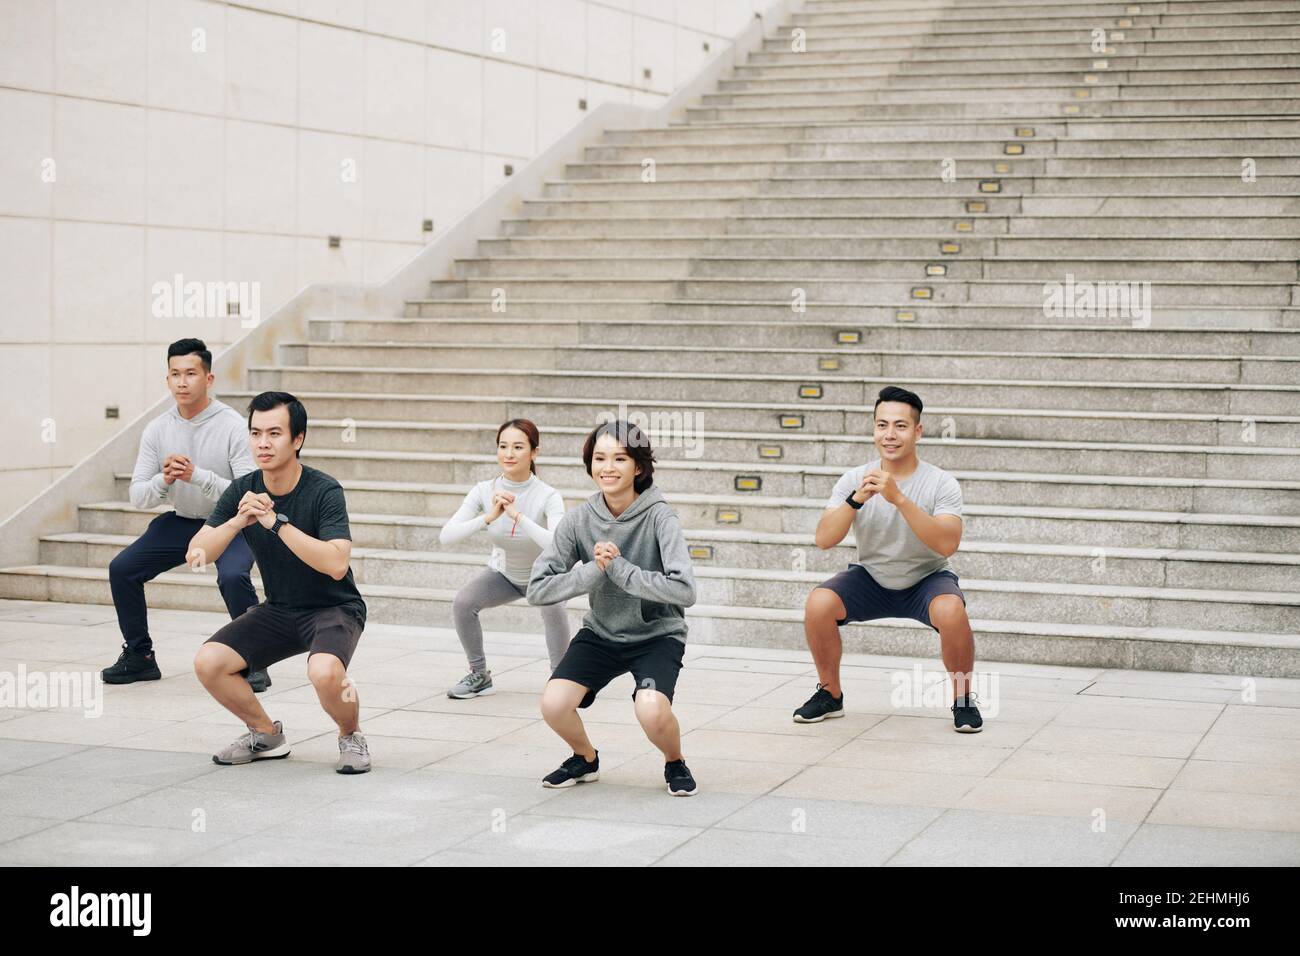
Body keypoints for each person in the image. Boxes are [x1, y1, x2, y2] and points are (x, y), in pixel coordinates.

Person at [187, 391, 372, 773]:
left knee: (324, 671)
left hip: (333, 607)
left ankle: (350, 734)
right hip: (279, 609)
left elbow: (336, 564)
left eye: (274, 433)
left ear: (297, 439)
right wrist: (238, 522)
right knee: (209, 662)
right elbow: (197, 554)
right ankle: (265, 734)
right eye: (255, 434)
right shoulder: (243, 489)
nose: (263, 443)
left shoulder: (323, 490)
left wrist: (278, 523)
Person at [794, 385, 982, 732]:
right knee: (819, 602)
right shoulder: (855, 478)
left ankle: (963, 699)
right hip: (871, 577)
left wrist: (899, 499)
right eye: (882, 425)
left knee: (951, 611)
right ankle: (830, 694)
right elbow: (823, 540)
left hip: (927, 577)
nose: (889, 435)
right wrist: (855, 501)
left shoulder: (941, 482)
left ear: (918, 431)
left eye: (900, 426)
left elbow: (947, 544)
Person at [528, 420, 700, 795]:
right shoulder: (578, 520)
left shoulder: (660, 516)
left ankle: (675, 761)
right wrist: (593, 571)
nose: (608, 467)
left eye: (619, 458)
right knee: (553, 704)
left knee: (651, 708)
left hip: (655, 635)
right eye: (599, 458)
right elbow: (538, 589)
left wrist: (620, 570)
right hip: (602, 633)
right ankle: (585, 758)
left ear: (638, 466)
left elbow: (684, 590)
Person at [102, 338, 270, 692]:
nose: (182, 382)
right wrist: (164, 480)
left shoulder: (232, 426)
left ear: (208, 379)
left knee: (233, 576)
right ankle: (139, 657)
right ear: (167, 380)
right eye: (175, 374)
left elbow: (249, 493)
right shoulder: (157, 429)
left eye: (191, 373)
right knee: (123, 569)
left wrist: (199, 477)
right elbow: (137, 496)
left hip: (235, 525)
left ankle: (254, 658)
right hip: (184, 522)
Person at [440, 419, 570, 698]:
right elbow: (446, 536)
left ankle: (561, 679)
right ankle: (479, 675)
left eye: (518, 447)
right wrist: (488, 517)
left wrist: (518, 517)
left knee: (555, 607)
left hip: (542, 576)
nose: (508, 454)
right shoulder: (483, 491)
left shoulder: (548, 495)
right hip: (505, 575)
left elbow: (557, 543)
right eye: (503, 446)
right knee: (463, 603)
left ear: (534, 453)